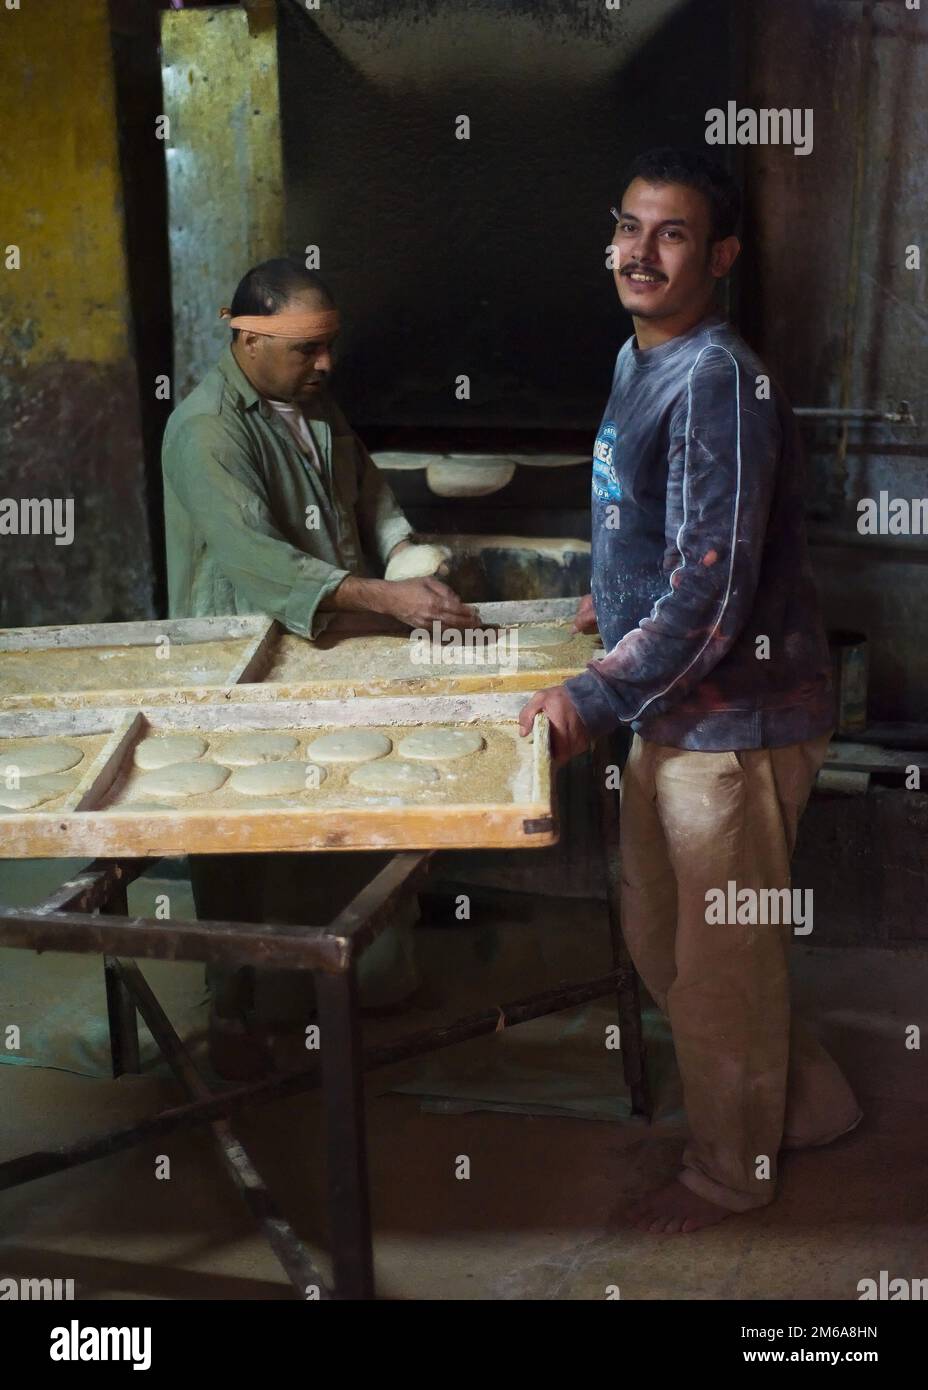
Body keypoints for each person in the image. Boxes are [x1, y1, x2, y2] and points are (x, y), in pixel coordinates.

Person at [519, 147, 861, 1233]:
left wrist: (585, 698)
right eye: (627, 225)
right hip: (669, 703)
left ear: (719, 255)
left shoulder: (717, 378)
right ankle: (809, 1105)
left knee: (714, 966)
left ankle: (731, 1173)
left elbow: (712, 603)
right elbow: (660, 532)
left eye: (670, 234)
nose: (638, 250)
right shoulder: (643, 360)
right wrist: (609, 603)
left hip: (737, 723)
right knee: (671, 938)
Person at [162, 257, 476, 1078]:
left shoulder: (310, 399)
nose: (326, 364)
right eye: (308, 350)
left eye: (329, 346)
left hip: (330, 648)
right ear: (248, 337)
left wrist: (404, 549)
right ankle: (243, 1015)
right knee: (252, 846)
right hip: (244, 665)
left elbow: (366, 491)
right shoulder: (206, 430)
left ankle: (337, 986)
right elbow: (260, 565)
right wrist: (390, 601)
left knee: (336, 820)